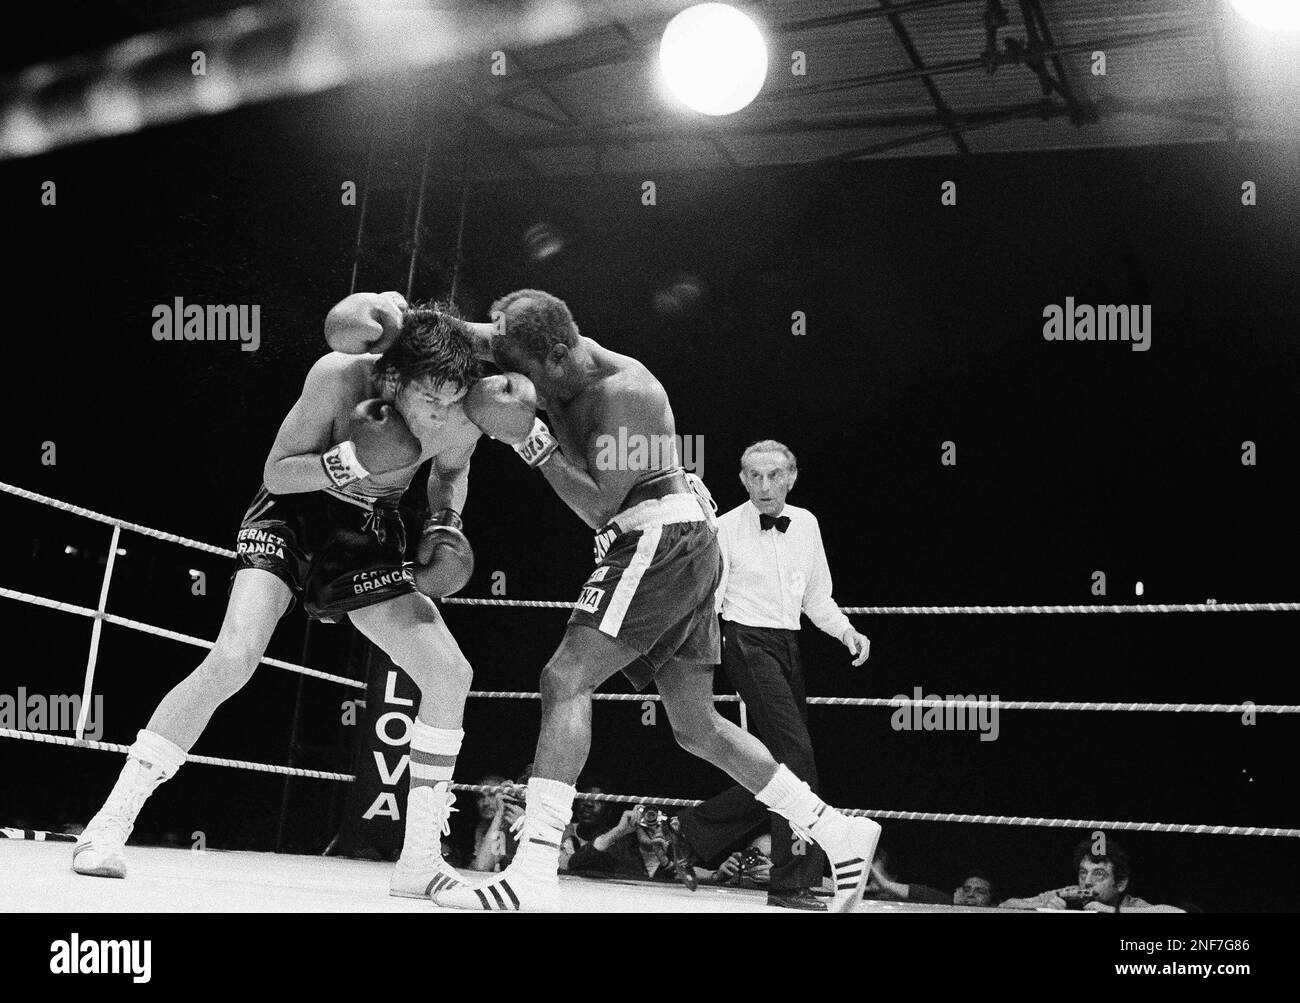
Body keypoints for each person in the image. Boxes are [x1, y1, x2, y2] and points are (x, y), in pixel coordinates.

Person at [72, 291, 537, 901]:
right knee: (233, 659)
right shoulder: (338, 377)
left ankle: (418, 861)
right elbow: (278, 471)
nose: (436, 415)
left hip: (370, 529)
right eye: (427, 397)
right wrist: (349, 462)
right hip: (292, 517)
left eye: (452, 400)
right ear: (393, 377)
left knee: (450, 673)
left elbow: (451, 470)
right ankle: (106, 828)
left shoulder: (463, 409)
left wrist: (446, 525)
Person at [431, 289, 881, 913]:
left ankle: (533, 871)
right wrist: (397, 324)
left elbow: (597, 505)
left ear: (558, 356)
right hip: (678, 539)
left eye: (524, 375)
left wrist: (528, 440)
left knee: (564, 679)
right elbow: (467, 337)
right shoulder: (530, 346)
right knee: (697, 727)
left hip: (657, 537)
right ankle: (837, 831)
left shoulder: (629, 395)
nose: (512, 382)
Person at [672, 440, 870, 910]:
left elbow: (817, 598)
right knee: (798, 761)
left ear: (791, 477)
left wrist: (846, 632)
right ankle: (791, 883)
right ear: (742, 479)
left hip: (788, 644)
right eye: (754, 476)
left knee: (782, 766)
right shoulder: (722, 528)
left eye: (774, 475)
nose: (764, 486)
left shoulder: (807, 524)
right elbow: (710, 602)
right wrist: (700, 664)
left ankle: (694, 831)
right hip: (743, 643)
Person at [999, 836, 1184, 912]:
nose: (1087, 882)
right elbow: (1004, 906)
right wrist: (1041, 907)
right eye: (1082, 873)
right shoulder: (1069, 894)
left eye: (1099, 874)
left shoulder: (1131, 905)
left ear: (1120, 884)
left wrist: (1111, 911)